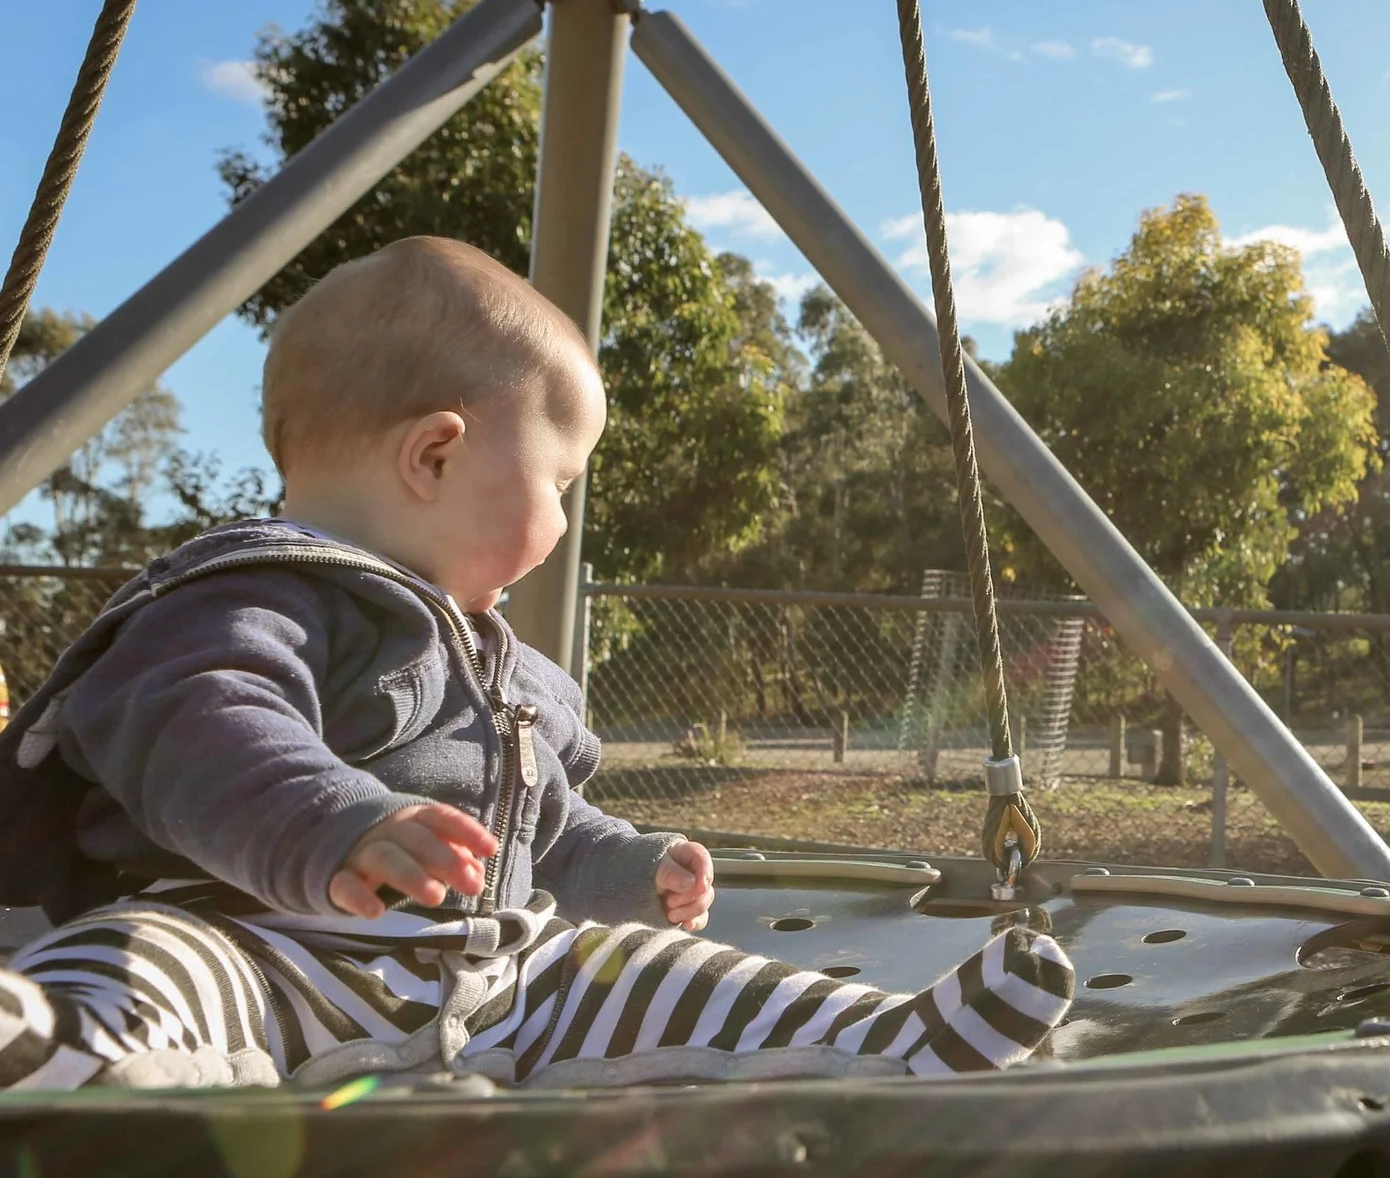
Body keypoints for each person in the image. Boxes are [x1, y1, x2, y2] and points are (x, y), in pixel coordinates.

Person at [0, 237, 1072, 1091]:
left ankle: (882, 1040)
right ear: (436, 454)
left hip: (496, 979)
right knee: (139, 965)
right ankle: (55, 1048)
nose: (562, 520)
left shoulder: (505, 669)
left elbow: (545, 824)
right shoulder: (247, 594)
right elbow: (205, 725)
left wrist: (630, 866)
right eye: (559, 481)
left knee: (656, 974)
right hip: (261, 951)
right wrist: (338, 823)